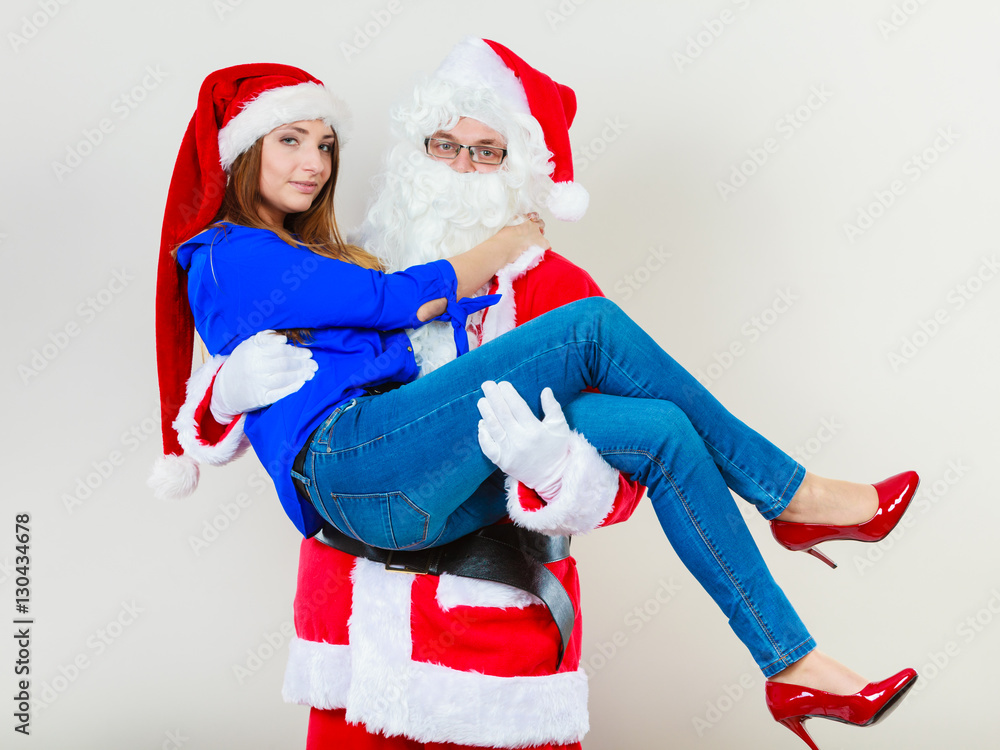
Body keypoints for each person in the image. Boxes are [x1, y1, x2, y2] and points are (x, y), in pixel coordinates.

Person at [152, 45, 917, 750]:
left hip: (489, 608)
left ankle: (792, 661)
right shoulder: (307, 257)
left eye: (485, 151)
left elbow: (611, 495)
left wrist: (556, 466)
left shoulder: (534, 281)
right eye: (444, 145)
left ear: (517, 166)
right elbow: (364, 322)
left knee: (661, 431)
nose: (460, 165)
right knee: (595, 330)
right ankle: (792, 494)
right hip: (362, 576)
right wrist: (223, 390)